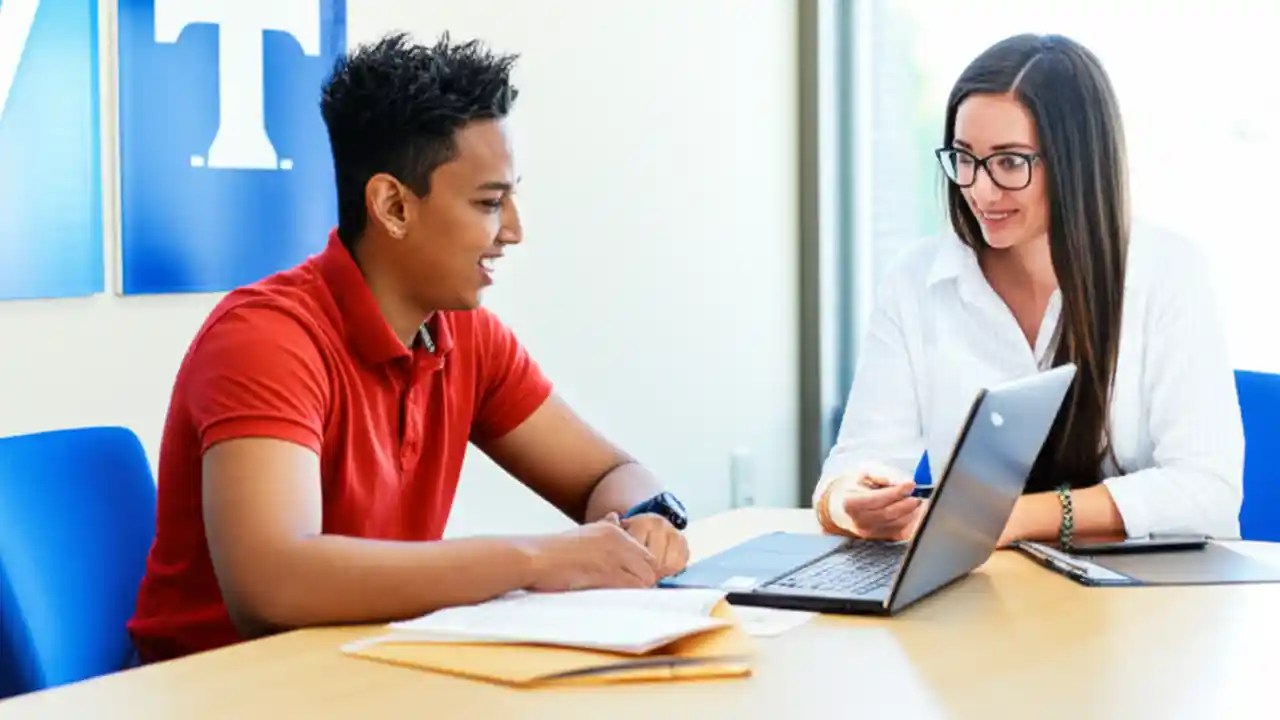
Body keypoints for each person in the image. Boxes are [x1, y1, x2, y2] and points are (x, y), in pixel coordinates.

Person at [128, 33, 690, 663]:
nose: (514, 231)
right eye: (489, 202)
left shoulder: (465, 334)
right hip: (218, 689)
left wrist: (641, 517)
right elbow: (272, 585)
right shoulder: (264, 338)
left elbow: (607, 474)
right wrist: (535, 559)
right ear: (393, 205)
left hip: (365, 670)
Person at [812, 33, 1244, 549]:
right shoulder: (916, 281)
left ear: (1074, 162)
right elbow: (850, 467)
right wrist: (846, 503)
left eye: (1010, 162)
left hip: (1154, 596)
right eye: (965, 158)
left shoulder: (1167, 271)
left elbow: (1207, 491)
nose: (980, 189)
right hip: (988, 592)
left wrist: (1012, 517)